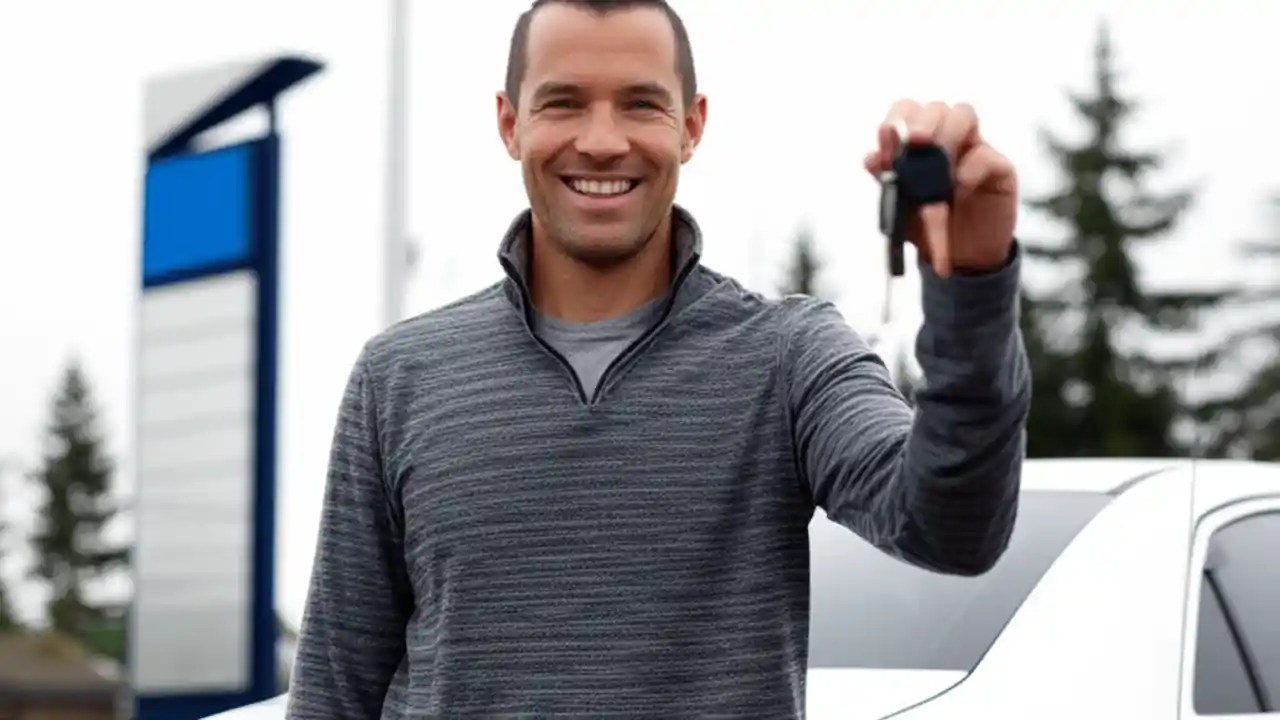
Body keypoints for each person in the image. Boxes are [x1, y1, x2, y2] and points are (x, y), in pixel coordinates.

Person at [285, 0, 1030, 717]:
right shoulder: (398, 378)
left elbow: (951, 531)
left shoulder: (789, 357)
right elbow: (333, 694)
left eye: (641, 104)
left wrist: (973, 287)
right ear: (510, 124)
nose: (602, 140)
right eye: (564, 103)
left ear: (692, 125)